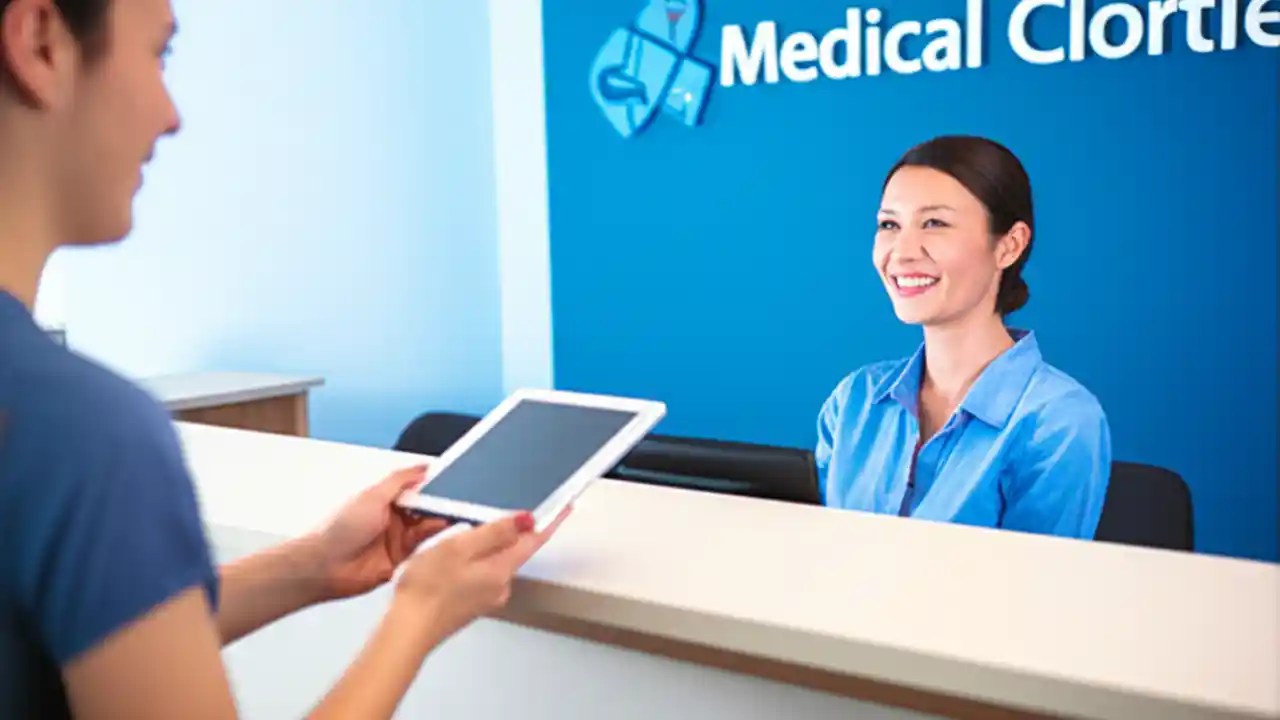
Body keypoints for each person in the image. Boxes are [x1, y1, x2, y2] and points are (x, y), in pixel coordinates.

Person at [0, 0, 566, 717]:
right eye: (158, 55)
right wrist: (419, 616)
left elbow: (83, 638)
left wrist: (311, 565)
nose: (170, 114)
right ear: (41, 42)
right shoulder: (84, 436)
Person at [814, 135, 1111, 539]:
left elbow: (1037, 596)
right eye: (889, 224)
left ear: (1009, 245)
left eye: (934, 223)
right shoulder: (853, 402)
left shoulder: (1058, 421)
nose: (901, 252)